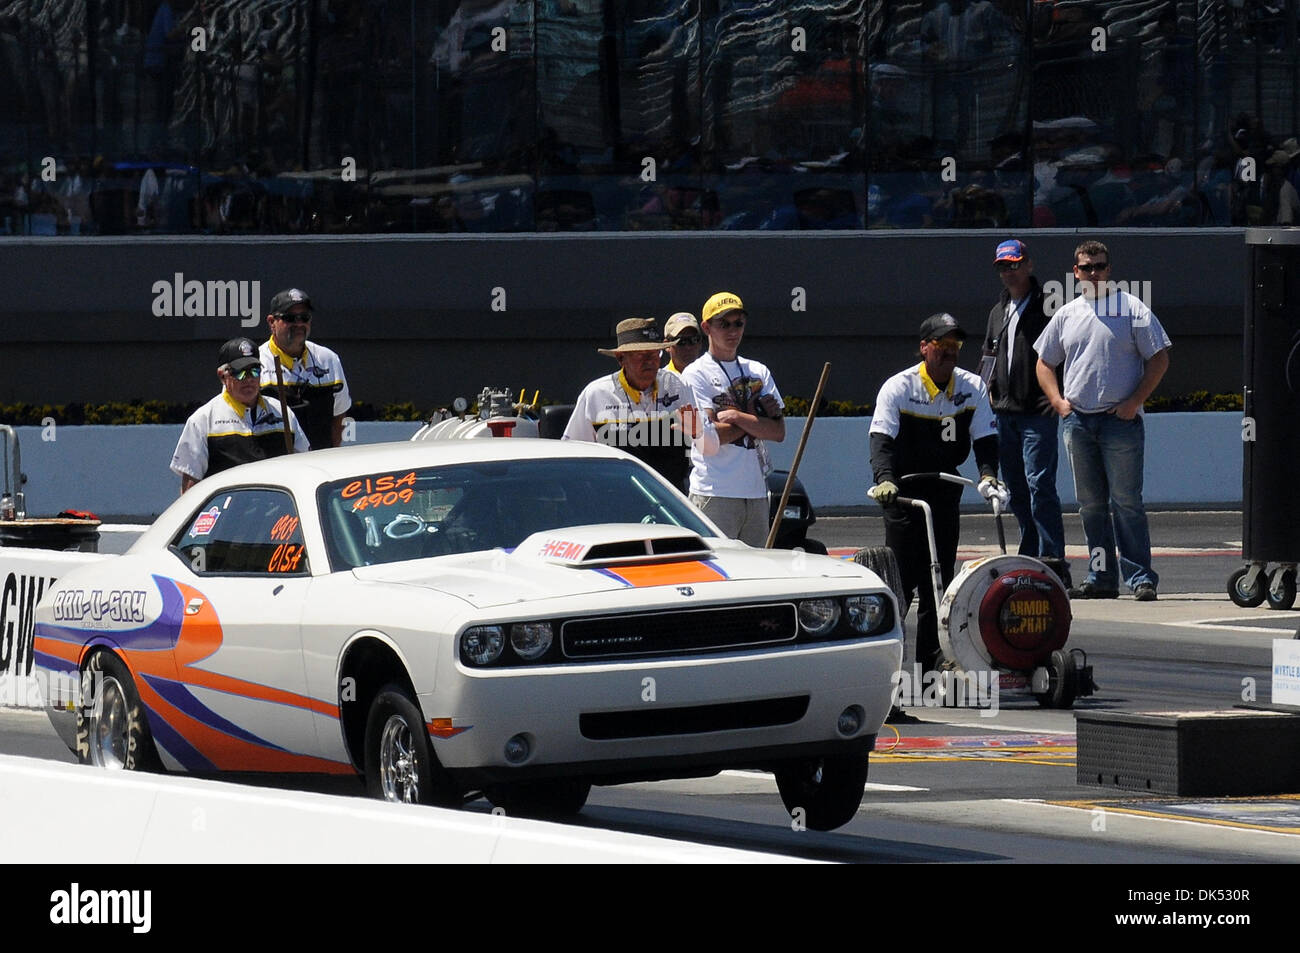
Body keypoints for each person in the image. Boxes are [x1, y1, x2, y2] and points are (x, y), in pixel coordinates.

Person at [1034, 240, 1172, 601]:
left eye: (1099, 265)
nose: (1093, 272)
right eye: (1086, 267)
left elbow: (1159, 359)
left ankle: (1141, 578)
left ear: (1109, 269)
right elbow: (1044, 363)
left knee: (1126, 502)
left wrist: (1134, 402)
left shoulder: (1131, 308)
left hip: (1119, 421)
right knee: (1091, 506)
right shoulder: (1067, 314)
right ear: (1075, 272)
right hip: (1078, 421)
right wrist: (1058, 402)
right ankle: (1101, 577)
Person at [870, 313, 1002, 674]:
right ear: (924, 348)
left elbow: (986, 439)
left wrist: (989, 475)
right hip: (904, 492)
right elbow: (881, 440)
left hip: (945, 488)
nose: (949, 352)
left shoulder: (972, 386)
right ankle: (889, 667)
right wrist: (885, 478)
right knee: (903, 583)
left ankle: (931, 666)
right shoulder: (899, 387)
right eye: (942, 345)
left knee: (938, 581)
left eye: (955, 345)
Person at [981, 238, 1070, 587]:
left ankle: (1053, 560)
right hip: (1003, 412)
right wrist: (983, 389)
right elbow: (987, 355)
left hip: (1036, 412)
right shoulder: (997, 310)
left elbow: (1068, 351)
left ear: (1029, 265)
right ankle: (1030, 553)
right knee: (1016, 488)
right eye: (1003, 266)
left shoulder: (1050, 306)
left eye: (1014, 264)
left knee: (1040, 485)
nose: (1009, 271)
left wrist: (1058, 394)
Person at [563, 318, 717, 493]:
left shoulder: (679, 386)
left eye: (654, 354)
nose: (649, 361)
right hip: (613, 498)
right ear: (621, 358)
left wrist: (698, 433)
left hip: (670, 502)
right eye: (640, 354)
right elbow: (572, 455)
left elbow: (711, 449)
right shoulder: (596, 394)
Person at [680, 292, 785, 547]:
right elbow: (708, 441)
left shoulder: (758, 370)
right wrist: (756, 421)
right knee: (716, 572)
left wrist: (738, 417)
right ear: (707, 327)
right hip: (714, 492)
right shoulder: (694, 374)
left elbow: (778, 432)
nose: (732, 330)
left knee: (756, 573)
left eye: (738, 323)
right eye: (723, 324)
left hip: (756, 493)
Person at [171, 337, 308, 493]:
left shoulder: (283, 412)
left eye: (255, 371)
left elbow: (304, 465)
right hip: (229, 513)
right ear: (222, 376)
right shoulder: (202, 420)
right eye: (240, 373)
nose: (249, 379)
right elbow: (190, 486)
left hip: (277, 513)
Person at [258, 288, 352, 450]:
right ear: (271, 322)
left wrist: (329, 453)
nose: (299, 324)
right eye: (290, 318)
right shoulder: (255, 363)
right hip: (275, 466)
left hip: (319, 465)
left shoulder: (328, 359)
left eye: (304, 317)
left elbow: (340, 415)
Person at [663, 312, 704, 376]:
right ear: (667, 345)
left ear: (700, 343)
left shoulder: (713, 375)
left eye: (694, 340)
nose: (688, 347)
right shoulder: (659, 381)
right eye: (681, 341)